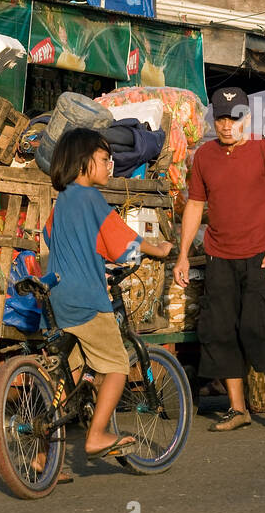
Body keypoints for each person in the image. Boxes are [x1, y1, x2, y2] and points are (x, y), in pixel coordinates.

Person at [43, 128, 172, 459]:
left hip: (57, 297)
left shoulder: (62, 202)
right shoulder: (91, 198)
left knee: (67, 375)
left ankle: (41, 453)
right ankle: (97, 434)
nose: (109, 164)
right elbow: (124, 243)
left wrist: (91, 255)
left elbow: (54, 235)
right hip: (87, 298)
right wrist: (156, 250)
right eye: (103, 159)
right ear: (84, 163)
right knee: (116, 365)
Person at [173, 87, 265, 431]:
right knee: (220, 331)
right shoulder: (204, 156)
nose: (227, 126)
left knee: (259, 327)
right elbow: (195, 205)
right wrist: (182, 254)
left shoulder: (264, 150)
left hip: (259, 254)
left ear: (247, 119)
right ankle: (237, 408)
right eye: (221, 119)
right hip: (218, 256)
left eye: (234, 118)